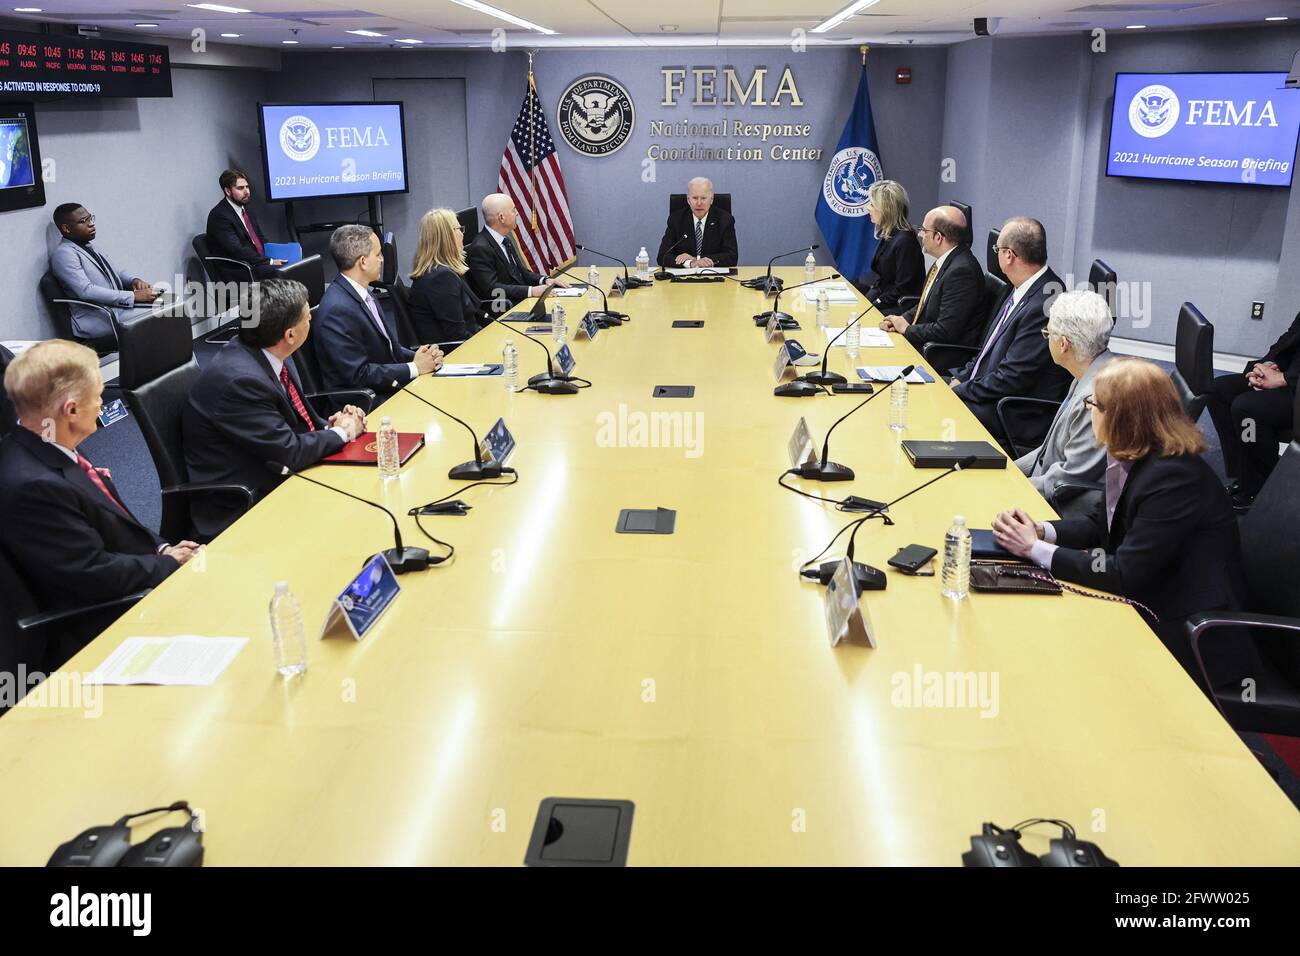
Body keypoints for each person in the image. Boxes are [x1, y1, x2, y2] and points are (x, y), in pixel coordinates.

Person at [992, 358, 1249, 684]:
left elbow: (1124, 575)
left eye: (1094, 404)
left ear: (1122, 417)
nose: (1089, 411)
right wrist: (1044, 531)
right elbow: (1102, 521)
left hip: (1186, 627)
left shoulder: (1174, 479)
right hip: (1152, 593)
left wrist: (1035, 550)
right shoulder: (1135, 453)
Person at [0, 340, 199, 659]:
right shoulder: (33, 486)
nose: (103, 405)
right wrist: (168, 564)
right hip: (108, 622)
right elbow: (93, 575)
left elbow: (113, 520)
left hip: (135, 577)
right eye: (98, 396)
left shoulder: (50, 441)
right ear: (72, 409)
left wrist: (163, 548)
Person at [183, 279, 367, 540]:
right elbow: (289, 453)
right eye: (307, 317)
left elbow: (297, 422)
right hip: (247, 503)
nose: (312, 319)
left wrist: (331, 424)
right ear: (290, 335)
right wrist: (343, 432)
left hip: (275, 467)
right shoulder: (241, 381)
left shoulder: (267, 352)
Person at [950, 217, 1070, 446]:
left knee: (935, 411)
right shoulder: (1022, 287)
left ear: (1008, 255)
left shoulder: (1045, 303)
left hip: (1012, 410)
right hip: (989, 391)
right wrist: (961, 377)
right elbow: (988, 351)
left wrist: (961, 390)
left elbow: (1012, 378)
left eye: (997, 249)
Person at [1012, 290, 1117, 516]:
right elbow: (1048, 450)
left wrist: (1012, 489)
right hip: (1044, 483)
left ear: (1063, 344)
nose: (1045, 337)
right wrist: (1009, 471)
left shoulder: (1097, 398)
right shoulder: (1088, 369)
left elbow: (1070, 478)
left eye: (1047, 333)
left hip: (1061, 509)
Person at [314, 224, 444, 402]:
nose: (382, 260)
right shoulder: (337, 310)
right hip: (365, 403)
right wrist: (414, 367)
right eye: (378, 254)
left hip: (386, 387)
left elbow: (387, 348)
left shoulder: (363, 292)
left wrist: (420, 356)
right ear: (363, 262)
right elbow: (358, 375)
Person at [1204, 308, 1300, 508]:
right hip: (1289, 375)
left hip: (1294, 384)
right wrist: (1266, 365)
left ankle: (1259, 488)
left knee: (1247, 409)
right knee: (1219, 391)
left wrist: (1282, 379)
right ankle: (1244, 475)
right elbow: (1291, 337)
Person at [49, 203, 160, 340]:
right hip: (99, 317)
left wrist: (134, 280)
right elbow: (86, 291)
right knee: (164, 314)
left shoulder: (88, 246)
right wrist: (133, 296)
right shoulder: (64, 254)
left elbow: (116, 273)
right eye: (83, 221)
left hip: (117, 308)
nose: (91, 224)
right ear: (66, 228)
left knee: (171, 304)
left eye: (90, 218)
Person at [878, 204, 984, 348]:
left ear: (938, 237)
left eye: (923, 230)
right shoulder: (946, 261)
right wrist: (900, 320)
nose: (920, 235)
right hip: (924, 338)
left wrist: (906, 329)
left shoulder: (962, 272)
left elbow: (946, 331)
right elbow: (924, 305)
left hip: (938, 353)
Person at [465, 193, 563, 311]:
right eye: (513, 210)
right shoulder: (480, 248)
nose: (517, 213)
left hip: (519, 302)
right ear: (502, 217)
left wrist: (545, 280)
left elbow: (521, 272)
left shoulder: (505, 239)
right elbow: (492, 288)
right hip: (501, 310)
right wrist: (532, 291)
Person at [409, 208, 489, 346]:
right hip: (456, 355)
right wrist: (490, 344)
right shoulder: (441, 278)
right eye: (459, 229)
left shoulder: (443, 271)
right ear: (447, 236)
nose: (462, 234)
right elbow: (457, 334)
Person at [204, 168, 285, 282]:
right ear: (228, 191)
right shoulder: (219, 216)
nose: (247, 191)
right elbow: (236, 249)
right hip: (239, 270)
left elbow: (260, 238)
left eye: (247, 187)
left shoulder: (247, 210)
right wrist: (269, 261)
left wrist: (276, 253)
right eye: (240, 188)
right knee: (282, 272)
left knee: (296, 264)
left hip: (255, 263)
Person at [861, 180, 923, 311]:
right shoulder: (890, 234)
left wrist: (873, 305)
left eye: (872, 204)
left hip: (899, 308)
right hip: (886, 297)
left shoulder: (906, 242)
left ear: (885, 209)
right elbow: (884, 281)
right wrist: (866, 302)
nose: (868, 208)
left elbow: (902, 290)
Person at [655, 176, 739, 269]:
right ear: (688, 200)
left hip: (714, 277)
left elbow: (732, 257)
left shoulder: (725, 220)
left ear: (711, 199)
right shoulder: (676, 219)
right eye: (695, 198)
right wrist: (690, 263)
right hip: (682, 280)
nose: (699, 203)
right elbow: (663, 256)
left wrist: (696, 259)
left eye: (703, 198)